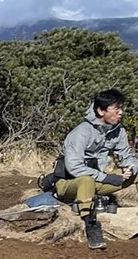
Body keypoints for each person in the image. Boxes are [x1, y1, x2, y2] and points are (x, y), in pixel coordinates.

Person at [46, 88, 137, 250]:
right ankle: (91, 224)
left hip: (97, 182)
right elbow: (74, 167)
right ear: (101, 111)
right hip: (68, 183)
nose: (121, 113)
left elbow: (126, 156)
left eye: (121, 109)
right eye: (116, 110)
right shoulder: (81, 132)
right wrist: (107, 178)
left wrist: (130, 167)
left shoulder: (119, 131)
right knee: (86, 180)